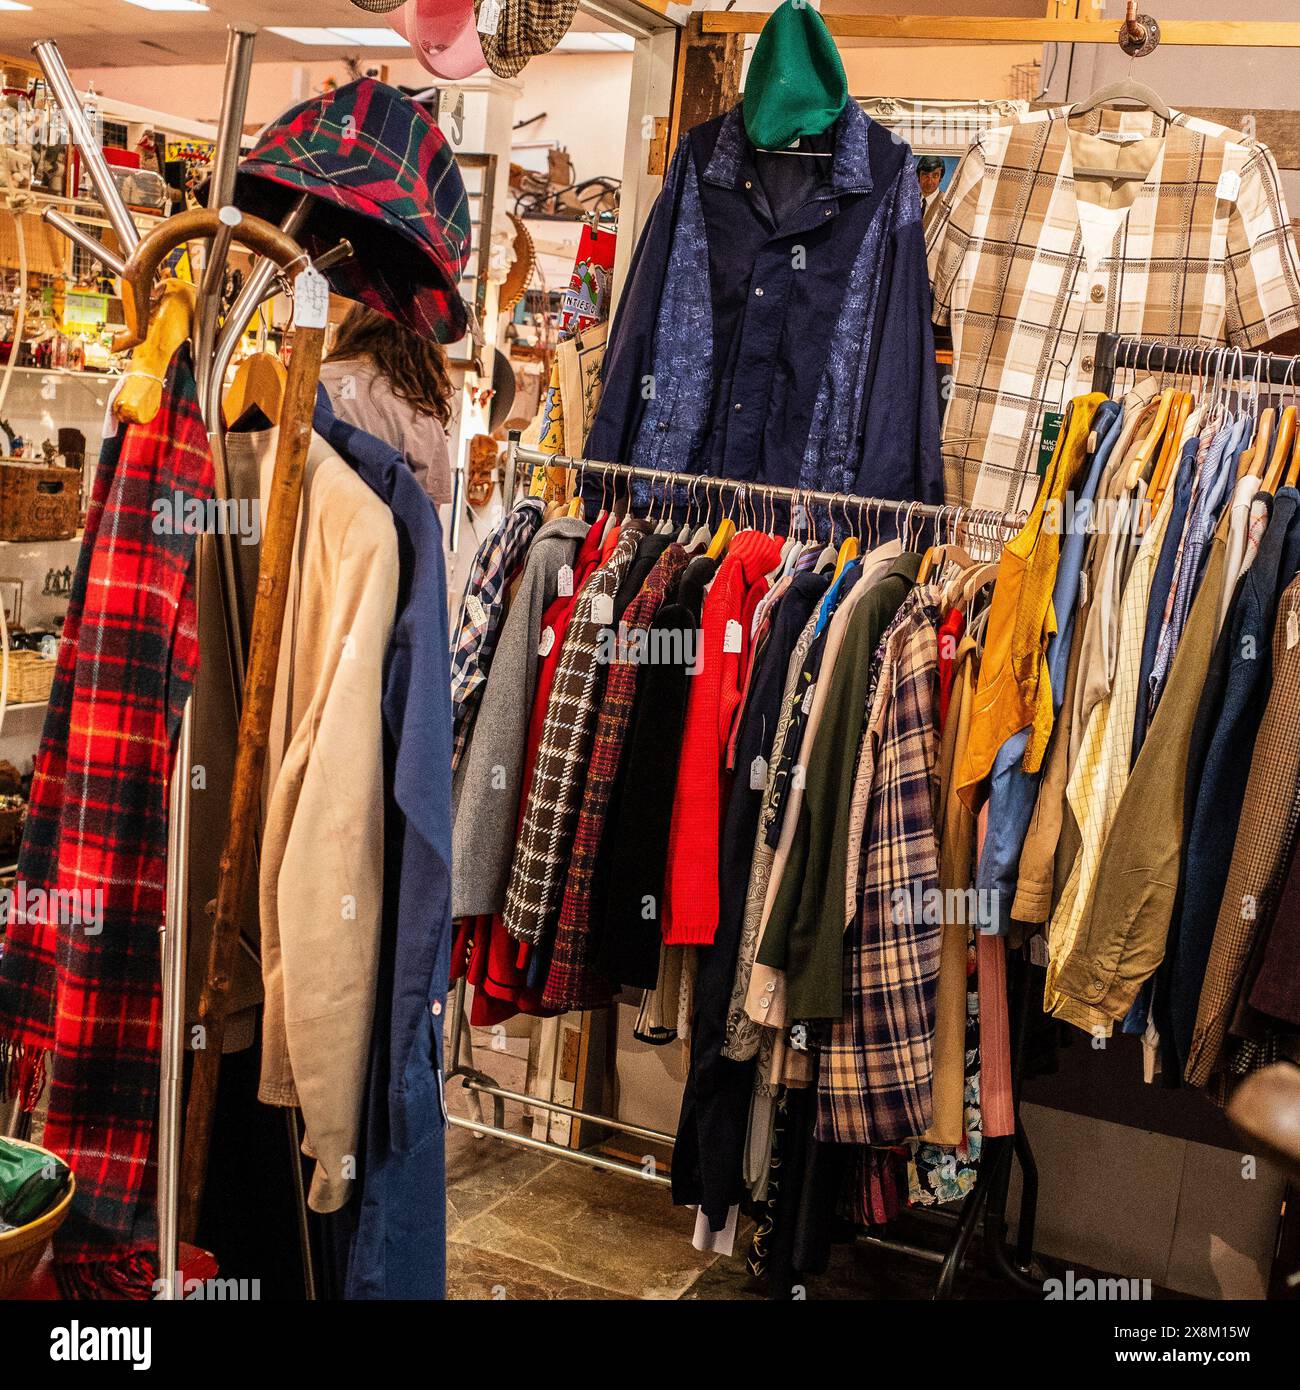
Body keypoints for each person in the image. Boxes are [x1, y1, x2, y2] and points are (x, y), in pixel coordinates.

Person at [318, 303, 455, 503]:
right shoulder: (422, 421)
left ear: (353, 328)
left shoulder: (308, 382)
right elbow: (424, 528)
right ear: (426, 347)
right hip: (373, 532)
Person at [916, 155, 947, 233]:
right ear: (918, 177)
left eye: (935, 176)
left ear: (941, 179)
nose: (929, 181)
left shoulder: (946, 203)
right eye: (925, 175)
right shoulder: (909, 202)